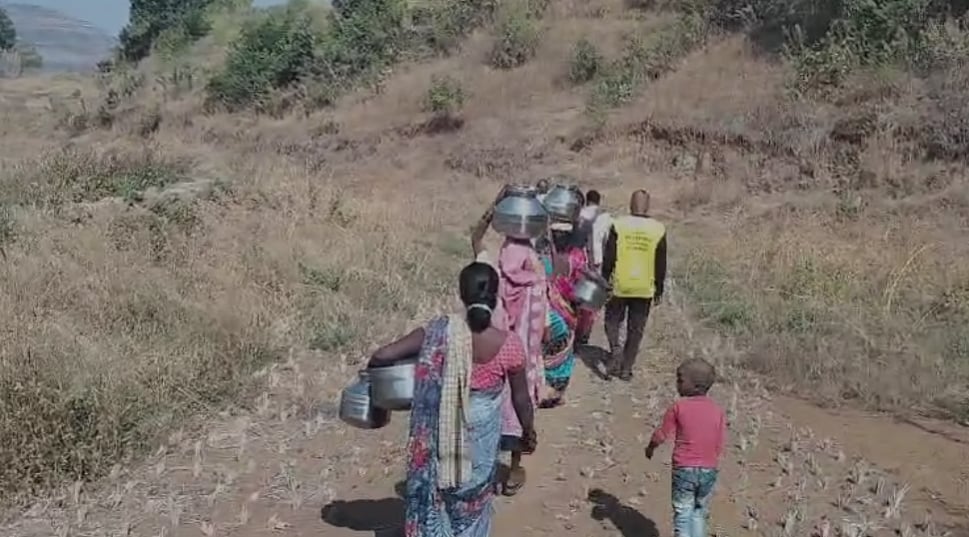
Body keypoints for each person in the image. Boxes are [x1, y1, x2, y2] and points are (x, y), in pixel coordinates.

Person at [369, 262, 538, 537]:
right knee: (473, 501)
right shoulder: (510, 345)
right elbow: (521, 398)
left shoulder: (438, 332)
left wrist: (370, 372)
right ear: (495, 298)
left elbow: (383, 356)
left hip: (441, 430)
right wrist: (528, 431)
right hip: (482, 438)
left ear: (462, 295)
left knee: (439, 495)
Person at [470, 188, 547, 496]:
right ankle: (514, 468)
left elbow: (475, 238)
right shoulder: (536, 270)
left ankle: (484, 469)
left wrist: (495, 205)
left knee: (487, 404)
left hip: (490, 349)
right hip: (521, 354)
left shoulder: (492, 271)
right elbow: (542, 323)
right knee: (520, 399)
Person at [645, 359, 725, 537]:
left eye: (680, 380)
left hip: (684, 469)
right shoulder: (717, 410)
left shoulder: (678, 407)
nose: (677, 384)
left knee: (682, 514)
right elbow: (719, 443)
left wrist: (650, 448)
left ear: (696, 385)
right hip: (709, 469)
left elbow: (661, 434)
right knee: (698, 511)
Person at [601, 189, 667, 381]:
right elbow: (660, 262)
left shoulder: (619, 225)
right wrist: (659, 288)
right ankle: (627, 369)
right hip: (644, 287)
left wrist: (604, 279)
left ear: (631, 205)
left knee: (612, 320)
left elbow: (609, 256)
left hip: (620, 284)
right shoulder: (658, 229)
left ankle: (615, 350)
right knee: (636, 329)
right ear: (648, 206)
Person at [538, 221, 588, 407]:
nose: (559, 236)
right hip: (556, 311)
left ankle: (550, 390)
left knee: (555, 350)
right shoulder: (551, 255)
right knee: (554, 351)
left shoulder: (573, 257)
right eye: (556, 232)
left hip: (558, 311)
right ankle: (551, 391)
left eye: (562, 233)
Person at [574, 189, 612, 346]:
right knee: (592, 298)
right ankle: (585, 333)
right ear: (598, 201)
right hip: (596, 261)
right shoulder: (606, 218)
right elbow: (608, 242)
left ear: (587, 200)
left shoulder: (578, 214)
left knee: (578, 295)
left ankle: (576, 329)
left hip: (579, 260)